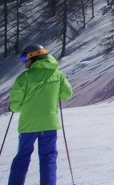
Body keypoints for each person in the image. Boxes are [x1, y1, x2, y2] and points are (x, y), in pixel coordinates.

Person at [8, 44, 73, 185]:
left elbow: (16, 105)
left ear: (34, 57)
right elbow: (67, 94)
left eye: (24, 58)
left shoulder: (24, 77)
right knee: (48, 157)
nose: (23, 62)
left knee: (22, 157)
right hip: (49, 124)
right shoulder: (57, 74)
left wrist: (12, 107)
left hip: (28, 125)